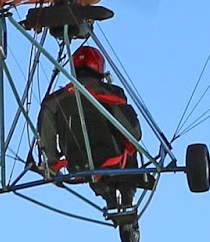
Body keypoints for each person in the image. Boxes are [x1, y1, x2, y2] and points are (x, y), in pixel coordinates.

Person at [36, 45, 143, 213]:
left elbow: (47, 137)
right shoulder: (111, 92)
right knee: (125, 149)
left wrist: (52, 163)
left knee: (92, 165)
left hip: (76, 165)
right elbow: (134, 133)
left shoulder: (53, 102)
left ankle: (107, 193)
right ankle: (126, 190)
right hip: (113, 161)